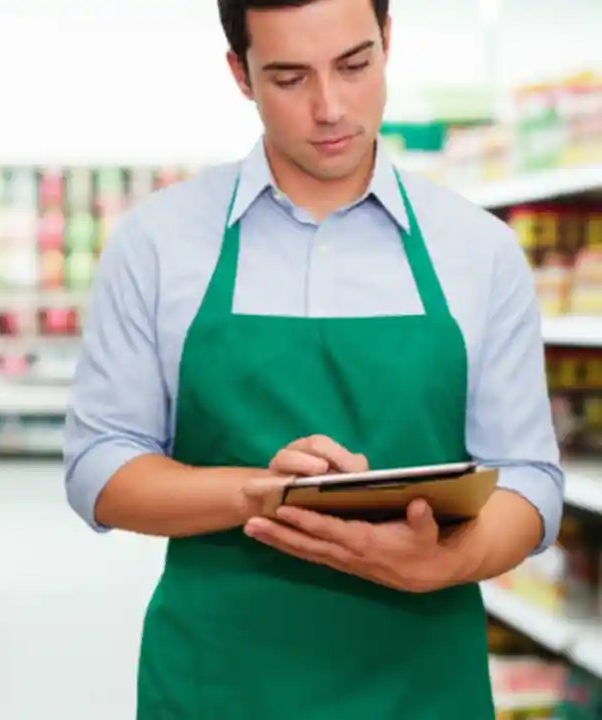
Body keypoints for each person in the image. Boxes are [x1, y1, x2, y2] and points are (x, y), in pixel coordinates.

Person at [63, 0, 565, 717]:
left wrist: (446, 561)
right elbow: (99, 466)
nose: (330, 108)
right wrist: (257, 493)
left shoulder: (479, 251)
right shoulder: (158, 244)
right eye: (290, 78)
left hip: (421, 684)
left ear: (387, 41)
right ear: (241, 74)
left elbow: (530, 477)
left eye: (354, 66)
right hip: (219, 683)